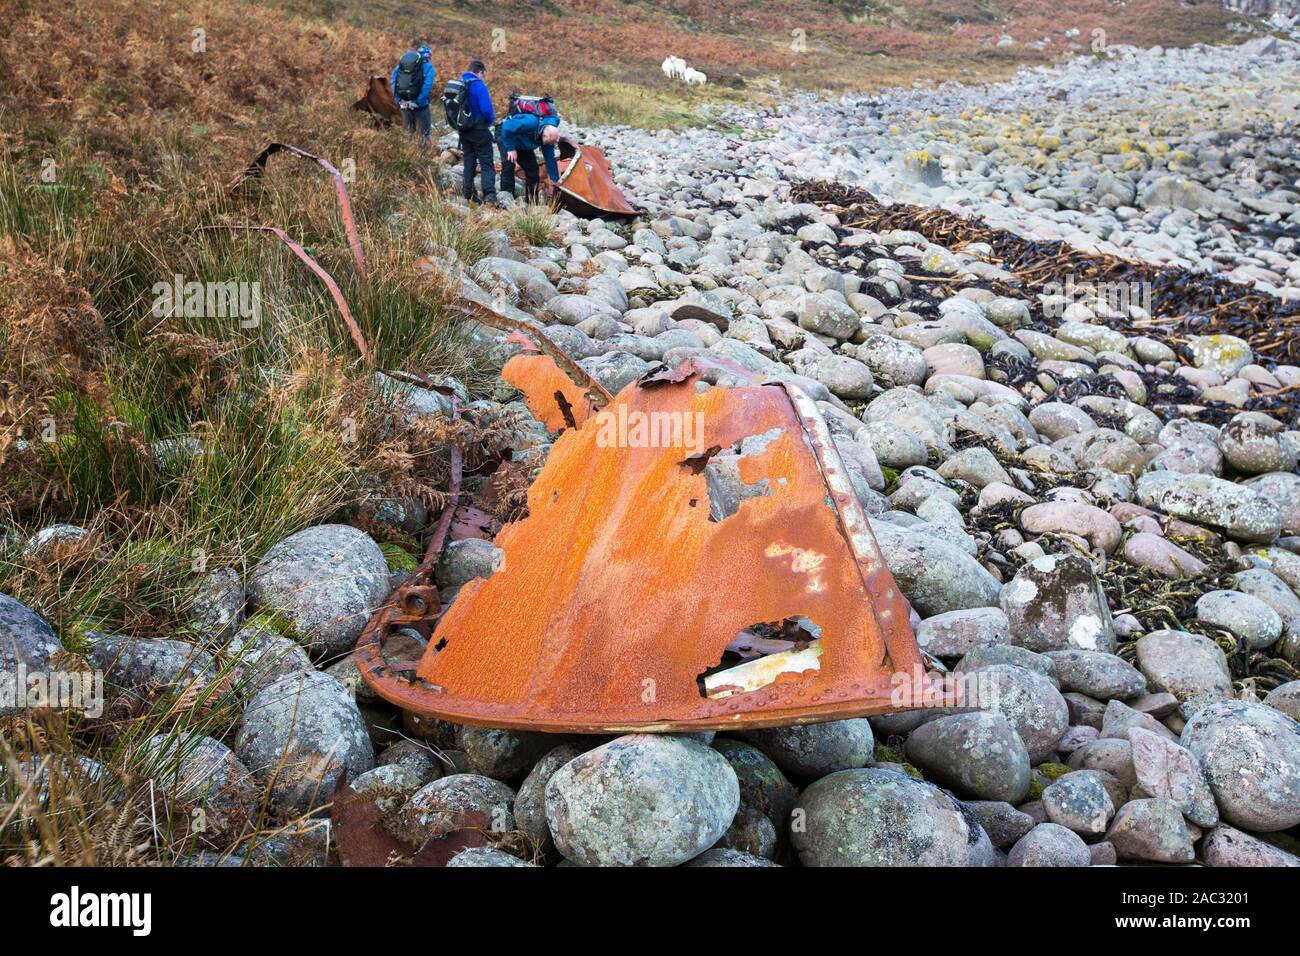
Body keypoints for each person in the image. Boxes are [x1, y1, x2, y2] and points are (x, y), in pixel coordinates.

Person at [456, 60, 497, 204]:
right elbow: (487, 110)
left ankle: (468, 194)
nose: (483, 77)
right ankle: (490, 196)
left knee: (469, 161)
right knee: (486, 162)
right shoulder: (479, 85)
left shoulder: (460, 84)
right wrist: (488, 122)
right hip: (479, 129)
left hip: (463, 130)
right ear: (480, 72)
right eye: (483, 74)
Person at [499, 108, 561, 203]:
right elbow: (506, 127)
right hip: (506, 136)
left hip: (522, 144)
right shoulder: (531, 122)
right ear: (544, 135)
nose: (548, 145)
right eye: (547, 143)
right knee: (509, 164)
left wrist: (555, 180)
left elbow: (550, 159)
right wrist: (510, 148)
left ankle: (532, 201)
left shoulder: (549, 138)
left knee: (533, 169)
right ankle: (505, 198)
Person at [391, 43, 435, 148]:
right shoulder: (429, 67)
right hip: (421, 106)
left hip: (404, 104)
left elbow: (393, 81)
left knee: (407, 132)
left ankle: (406, 155)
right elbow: (427, 87)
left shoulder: (402, 65)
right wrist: (417, 102)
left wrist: (399, 100)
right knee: (425, 133)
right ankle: (425, 159)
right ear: (428, 56)